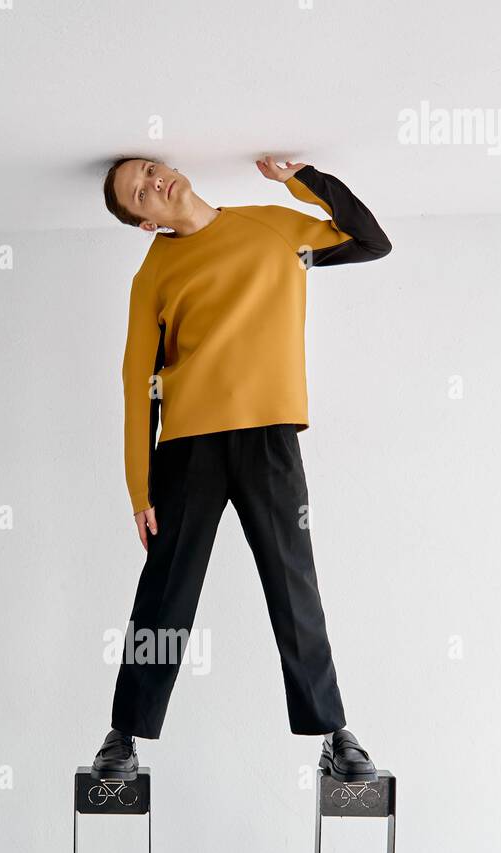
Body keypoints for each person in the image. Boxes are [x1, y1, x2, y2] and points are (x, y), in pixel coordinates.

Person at [92, 154, 391, 783]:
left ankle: (334, 733)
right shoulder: (153, 275)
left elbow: (371, 241)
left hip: (270, 438)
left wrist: (301, 179)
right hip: (187, 449)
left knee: (294, 586)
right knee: (165, 597)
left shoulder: (274, 227)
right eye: (139, 193)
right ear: (144, 222)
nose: (153, 183)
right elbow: (136, 385)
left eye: (149, 170)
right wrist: (138, 487)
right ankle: (125, 733)